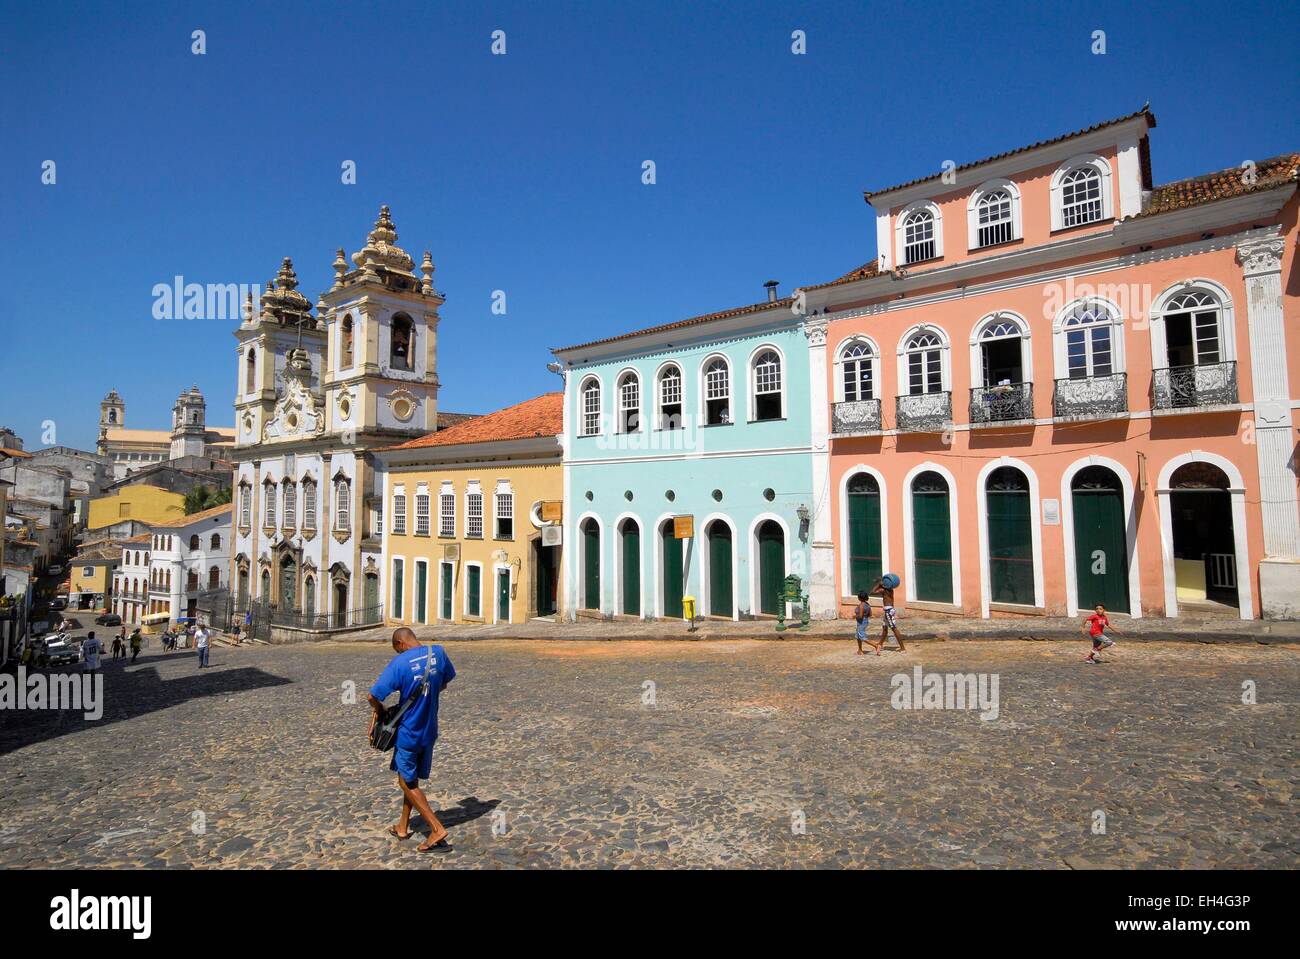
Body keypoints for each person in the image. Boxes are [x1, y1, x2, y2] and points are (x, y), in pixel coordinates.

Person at [367, 627, 457, 854]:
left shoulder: (400, 664)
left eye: (397, 649)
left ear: (400, 644)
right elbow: (445, 682)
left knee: (406, 782)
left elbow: (373, 695)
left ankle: (436, 829)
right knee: (411, 776)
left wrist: (379, 710)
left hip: (409, 730)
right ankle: (402, 827)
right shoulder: (438, 653)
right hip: (429, 729)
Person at [871, 575, 907, 652]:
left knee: (894, 628)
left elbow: (872, 592)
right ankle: (880, 644)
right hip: (889, 610)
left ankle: (902, 647)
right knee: (884, 628)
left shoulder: (883, 590)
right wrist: (882, 583)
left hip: (888, 611)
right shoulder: (890, 590)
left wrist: (878, 584)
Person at [853, 590, 878, 656]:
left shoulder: (861, 605)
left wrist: (855, 616)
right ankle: (860, 650)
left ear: (860, 598)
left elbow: (860, 616)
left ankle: (876, 645)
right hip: (865, 621)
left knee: (862, 637)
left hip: (861, 622)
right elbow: (870, 614)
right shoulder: (867, 605)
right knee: (858, 636)